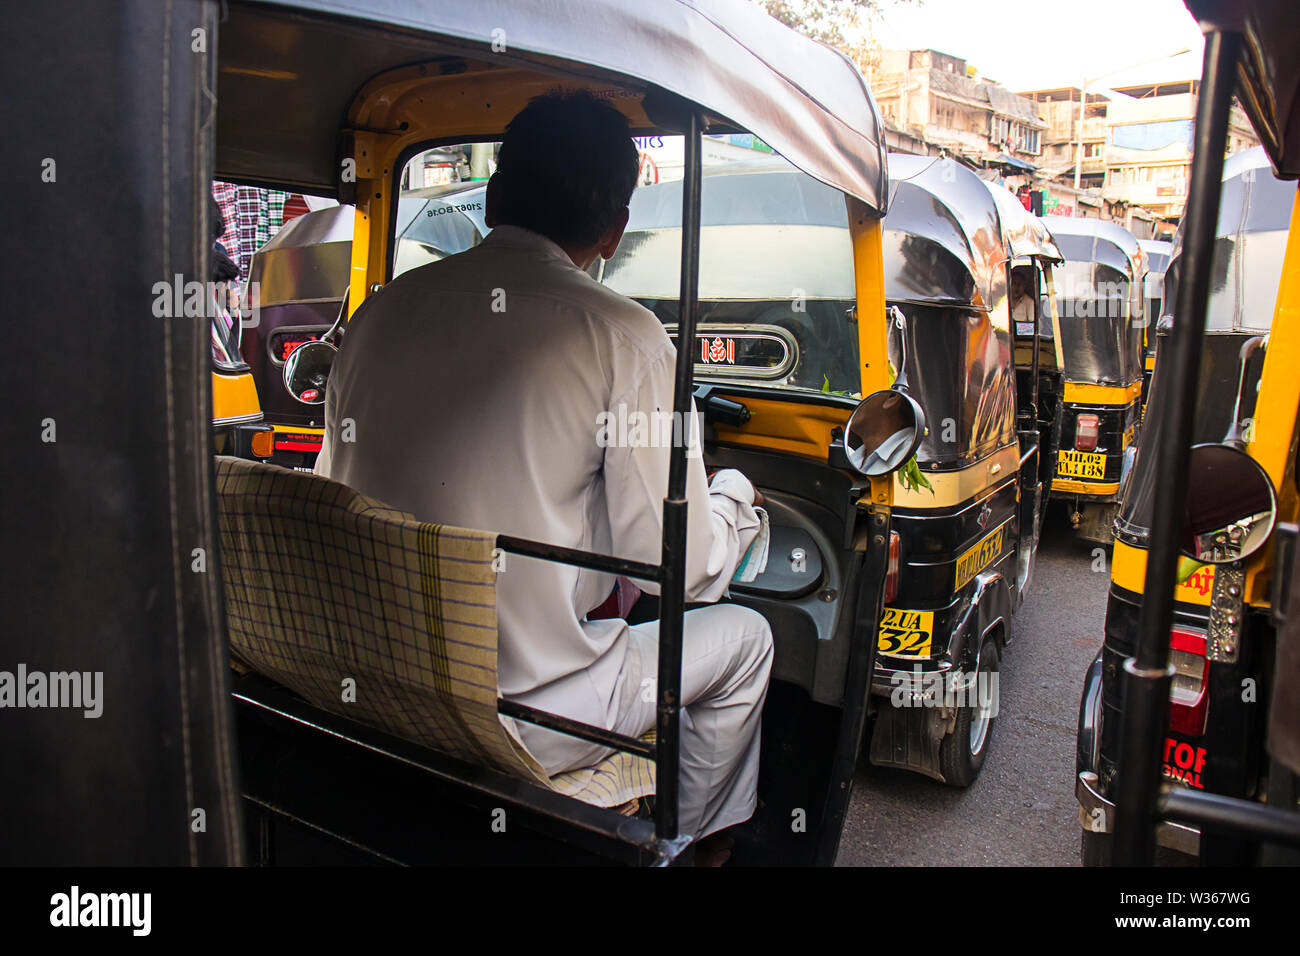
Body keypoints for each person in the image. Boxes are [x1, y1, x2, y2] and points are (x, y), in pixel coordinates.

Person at [316, 92, 773, 854]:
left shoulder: (379, 313)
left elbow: (340, 486)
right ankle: (690, 846)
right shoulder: (626, 339)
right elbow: (683, 577)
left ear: (494, 196)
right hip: (523, 717)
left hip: (372, 680)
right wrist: (731, 500)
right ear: (614, 231)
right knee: (748, 640)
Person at [1009, 267, 1036, 334]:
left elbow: (1032, 327)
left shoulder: (1030, 303)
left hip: (1022, 340)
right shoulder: (1002, 301)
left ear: (1024, 286)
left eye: (1019, 284)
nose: (1017, 287)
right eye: (1014, 283)